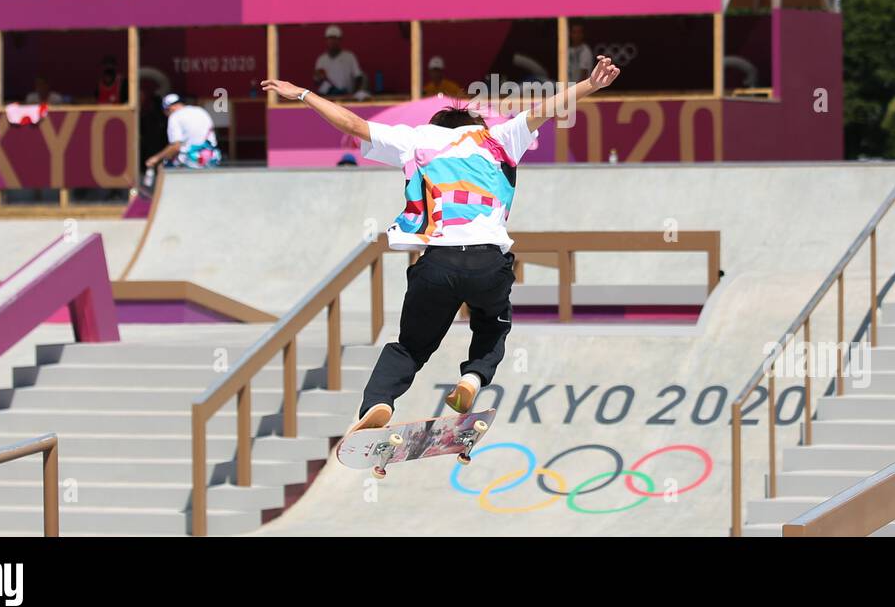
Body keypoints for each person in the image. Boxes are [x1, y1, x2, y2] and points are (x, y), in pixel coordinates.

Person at [260, 54, 622, 433]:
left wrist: (302, 94)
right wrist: (591, 85)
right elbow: (544, 110)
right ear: (474, 123)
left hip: (437, 265)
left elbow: (352, 123)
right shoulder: (497, 137)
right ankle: (473, 379)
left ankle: (378, 403)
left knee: (410, 346)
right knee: (492, 326)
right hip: (489, 263)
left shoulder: (415, 139)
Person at [144, 93, 222, 170]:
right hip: (212, 158)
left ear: (170, 108)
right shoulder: (200, 111)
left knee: (163, 167)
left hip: (192, 160)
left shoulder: (175, 117)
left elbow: (176, 147)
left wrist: (156, 158)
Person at [313, 25, 365, 97]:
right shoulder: (321, 59)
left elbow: (358, 77)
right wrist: (319, 77)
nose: (332, 41)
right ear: (326, 40)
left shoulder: (349, 56)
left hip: (347, 96)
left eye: (335, 38)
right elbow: (317, 81)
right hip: (328, 98)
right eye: (330, 38)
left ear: (340, 40)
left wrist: (354, 94)